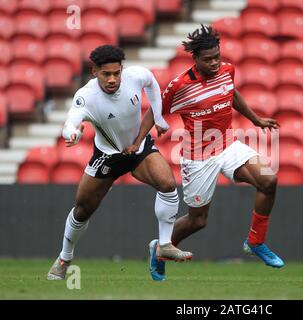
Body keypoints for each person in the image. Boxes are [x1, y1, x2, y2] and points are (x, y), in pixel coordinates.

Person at [148, 25, 284, 282]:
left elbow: (231, 93)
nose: (214, 63)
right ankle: (161, 247)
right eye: (208, 59)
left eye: (217, 57)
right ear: (195, 59)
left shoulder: (227, 70)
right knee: (198, 221)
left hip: (228, 144)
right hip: (198, 157)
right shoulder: (180, 85)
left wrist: (255, 120)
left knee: (269, 180)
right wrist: (141, 136)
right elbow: (155, 110)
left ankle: (255, 242)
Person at [47, 45, 192, 281]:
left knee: (167, 184)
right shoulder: (86, 96)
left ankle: (164, 244)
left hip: (137, 148)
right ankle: (64, 257)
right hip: (107, 157)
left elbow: (152, 82)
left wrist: (158, 116)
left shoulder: (136, 76)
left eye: (117, 73)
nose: (113, 79)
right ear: (95, 71)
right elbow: (70, 122)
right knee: (82, 209)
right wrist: (71, 133)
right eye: (107, 74)